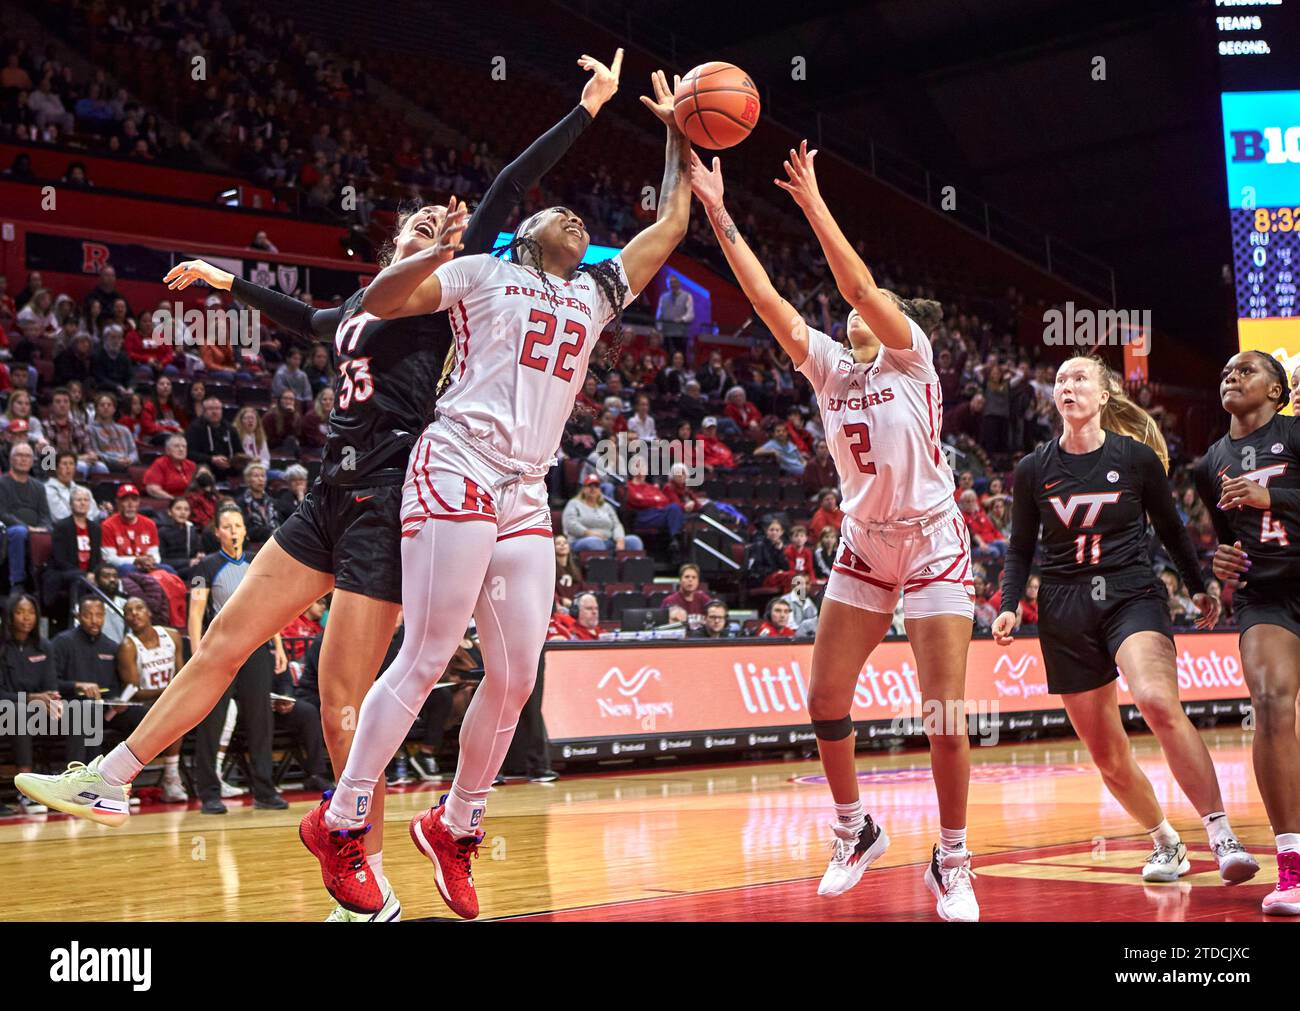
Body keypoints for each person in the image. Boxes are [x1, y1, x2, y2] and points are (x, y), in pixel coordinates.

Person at [15, 52, 626, 925]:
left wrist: (585, 109)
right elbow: (304, 319)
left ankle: (366, 881)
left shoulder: (445, 296)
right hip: (326, 497)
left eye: (443, 225)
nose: (433, 222)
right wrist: (227, 280)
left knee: (342, 704)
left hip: (397, 502)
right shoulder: (364, 308)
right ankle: (111, 777)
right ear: (393, 243)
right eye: (418, 220)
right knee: (224, 640)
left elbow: (506, 184)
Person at [304, 65, 689, 921]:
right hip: (456, 461)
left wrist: (679, 130)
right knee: (429, 651)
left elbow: (668, 224)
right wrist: (433, 251)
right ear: (524, 232)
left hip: (524, 489)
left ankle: (456, 825)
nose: (576, 219)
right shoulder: (480, 274)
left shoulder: (592, 290)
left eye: (581, 219)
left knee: (516, 675)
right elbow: (379, 297)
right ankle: (343, 818)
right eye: (561, 213)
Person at [694, 140, 977, 919]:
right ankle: (855, 829)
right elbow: (767, 302)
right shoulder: (828, 367)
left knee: (945, 712)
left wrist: (813, 200)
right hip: (864, 543)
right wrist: (718, 212)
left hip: (931, 541)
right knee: (822, 695)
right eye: (856, 304)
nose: (856, 303)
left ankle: (953, 858)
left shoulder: (912, 359)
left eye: (872, 301)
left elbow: (852, 277)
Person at [990, 357, 1257, 885]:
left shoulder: (1135, 459)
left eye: (1080, 378)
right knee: (1108, 754)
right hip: (1064, 606)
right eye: (1061, 380)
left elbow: (1174, 531)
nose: (1068, 386)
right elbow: (1021, 548)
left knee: (1157, 701)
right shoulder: (1033, 469)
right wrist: (1008, 602)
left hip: (1131, 593)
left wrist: (1200, 585)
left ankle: (1222, 834)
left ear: (1105, 393)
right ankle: (1165, 842)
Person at [1192, 349, 1300, 915]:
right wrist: (1221, 563)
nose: (1230, 376)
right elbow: (1223, 537)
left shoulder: (1298, 434)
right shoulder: (1212, 462)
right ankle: (1292, 868)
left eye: (1246, 370)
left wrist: (1273, 496)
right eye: (1225, 371)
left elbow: (1268, 502)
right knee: (1271, 701)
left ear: (1277, 391)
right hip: (1268, 596)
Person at [116, 598, 187, 803]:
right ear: (125, 619)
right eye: (129, 612)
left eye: (139, 608)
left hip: (174, 698)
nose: (134, 614)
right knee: (172, 716)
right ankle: (171, 778)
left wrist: (175, 692)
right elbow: (135, 690)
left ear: (149, 612)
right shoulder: (128, 646)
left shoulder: (172, 636)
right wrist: (170, 691)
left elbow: (182, 673)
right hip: (145, 705)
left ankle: (214, 774)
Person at [43, 487, 102, 623]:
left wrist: (95, 573)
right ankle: (75, 622)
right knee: (80, 579)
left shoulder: (95, 528)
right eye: (78, 500)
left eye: (86, 500)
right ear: (71, 504)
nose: (82, 503)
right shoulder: (61, 527)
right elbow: (60, 560)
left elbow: (97, 558)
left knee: (107, 578)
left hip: (88, 574)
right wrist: (85, 574)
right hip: (62, 573)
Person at [0, 441, 52, 589]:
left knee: (55, 531)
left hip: (35, 529)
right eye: (19, 455)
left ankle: (47, 584)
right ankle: (17, 582)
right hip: (8, 530)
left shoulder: (39, 486)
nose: (23, 459)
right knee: (19, 532)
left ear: (33, 461)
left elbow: (45, 515)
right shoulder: (2, 483)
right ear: (11, 459)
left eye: (28, 456)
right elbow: (2, 513)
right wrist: (27, 527)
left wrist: (44, 527)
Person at [562, 474, 644, 553]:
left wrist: (620, 539)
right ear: (583, 489)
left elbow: (617, 525)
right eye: (589, 486)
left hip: (609, 540)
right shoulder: (574, 503)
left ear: (600, 490)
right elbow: (570, 524)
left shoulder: (606, 506)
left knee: (634, 541)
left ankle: (628, 566)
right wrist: (589, 533)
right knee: (595, 542)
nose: (593, 489)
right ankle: (604, 566)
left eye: (596, 486)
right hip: (581, 540)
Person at [185, 396, 238, 480]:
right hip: (205, 466)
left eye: (217, 408)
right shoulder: (194, 428)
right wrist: (212, 459)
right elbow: (189, 453)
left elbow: (239, 451)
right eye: (210, 409)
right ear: (204, 411)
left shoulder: (230, 429)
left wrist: (232, 462)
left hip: (228, 467)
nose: (214, 412)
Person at [44, 451, 101, 524]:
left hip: (89, 529)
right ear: (56, 468)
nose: (68, 467)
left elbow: (94, 513)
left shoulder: (84, 491)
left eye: (71, 464)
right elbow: (60, 516)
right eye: (64, 464)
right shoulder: (48, 490)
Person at [87, 393, 138, 473]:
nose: (106, 407)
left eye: (109, 405)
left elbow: (133, 452)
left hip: (126, 465)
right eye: (102, 405)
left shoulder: (124, 429)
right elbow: (95, 452)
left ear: (114, 409)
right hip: (105, 466)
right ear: (96, 409)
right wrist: (116, 461)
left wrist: (130, 460)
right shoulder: (90, 429)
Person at [142, 435, 196, 499]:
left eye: (184, 446)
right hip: (169, 502)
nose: (181, 449)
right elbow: (152, 489)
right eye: (176, 446)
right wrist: (173, 500)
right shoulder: (160, 464)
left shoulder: (191, 465)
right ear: (167, 450)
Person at [661, 563, 713, 628]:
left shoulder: (704, 599)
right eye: (687, 577)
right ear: (680, 580)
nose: (690, 580)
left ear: (698, 582)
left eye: (694, 577)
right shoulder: (670, 601)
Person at [654, 274, 694, 356]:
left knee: (680, 357)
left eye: (674, 282)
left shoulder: (687, 296)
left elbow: (691, 315)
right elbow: (659, 316)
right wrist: (659, 330)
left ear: (679, 283)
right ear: (667, 284)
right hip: (666, 334)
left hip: (681, 334)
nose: (673, 284)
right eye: (670, 283)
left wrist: (682, 319)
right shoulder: (663, 297)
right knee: (667, 357)